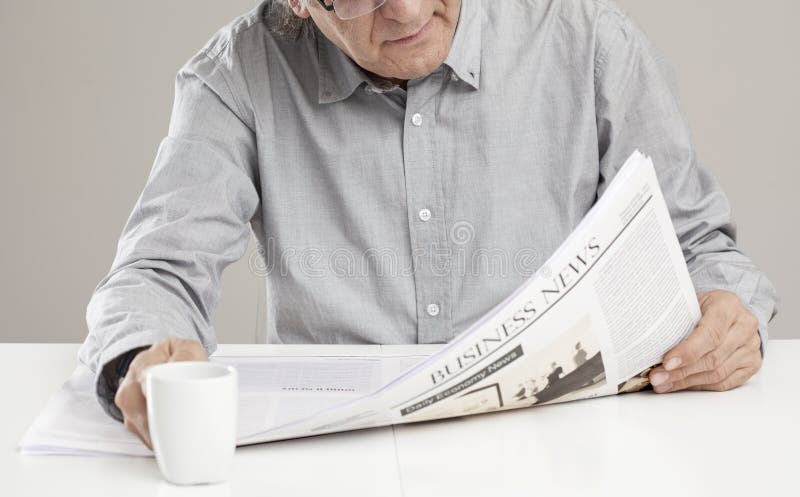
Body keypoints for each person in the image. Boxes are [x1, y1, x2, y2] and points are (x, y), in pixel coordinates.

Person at [79, 0, 778, 449]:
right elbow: (159, 267)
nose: (409, 10)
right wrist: (141, 359)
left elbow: (697, 247)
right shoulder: (239, 72)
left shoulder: (589, 41)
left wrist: (727, 310)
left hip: (566, 447)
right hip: (333, 455)